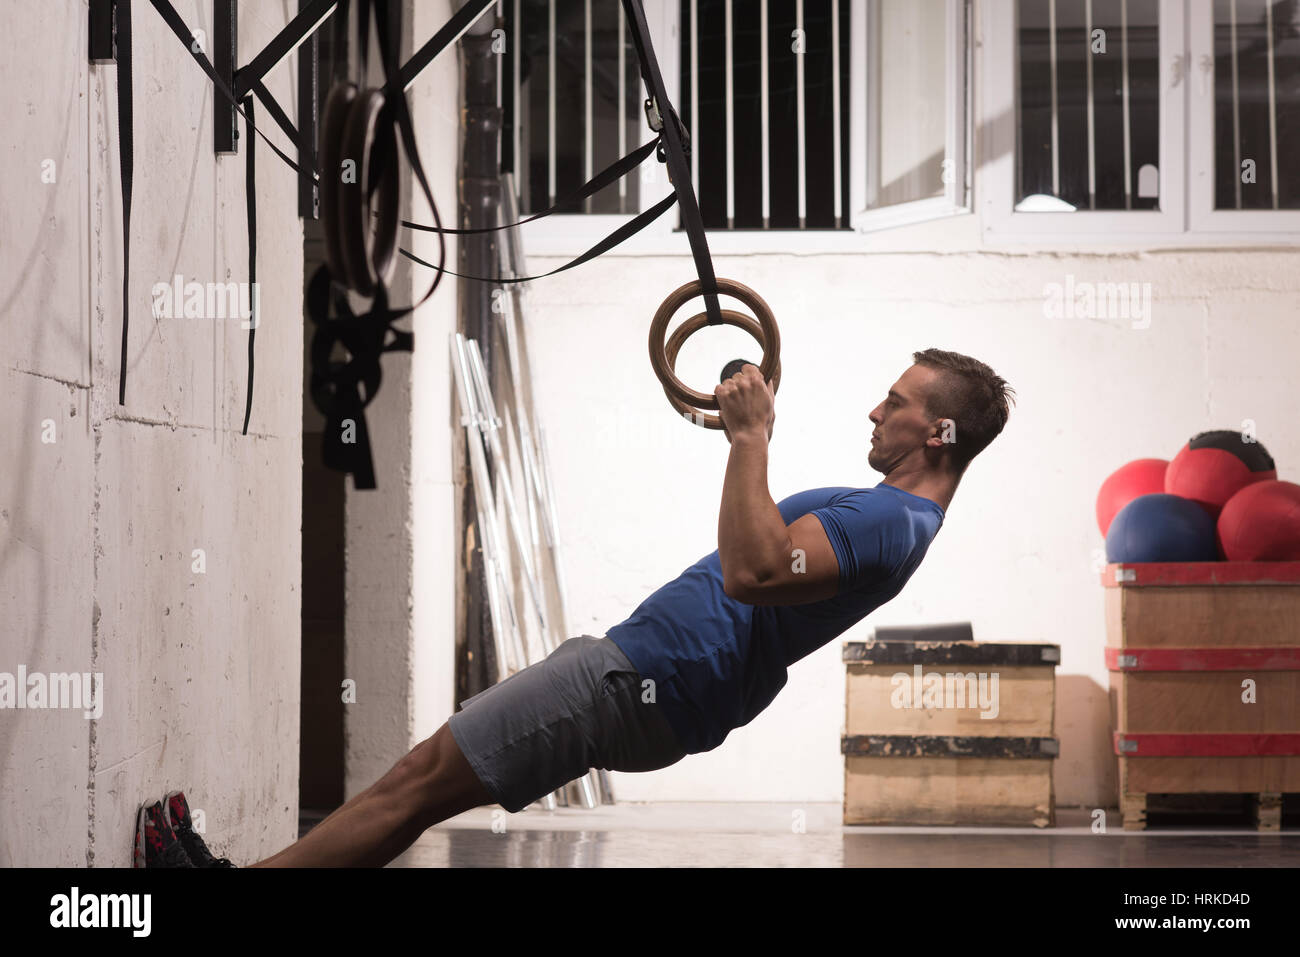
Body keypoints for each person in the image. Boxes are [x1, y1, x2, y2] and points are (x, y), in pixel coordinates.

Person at [248, 347, 1014, 867]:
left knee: (415, 781)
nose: (874, 412)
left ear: (940, 432)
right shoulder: (895, 517)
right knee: (420, 791)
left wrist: (751, 438)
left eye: (896, 402)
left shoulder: (894, 521)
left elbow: (753, 571)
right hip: (649, 678)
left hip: (642, 678)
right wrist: (743, 440)